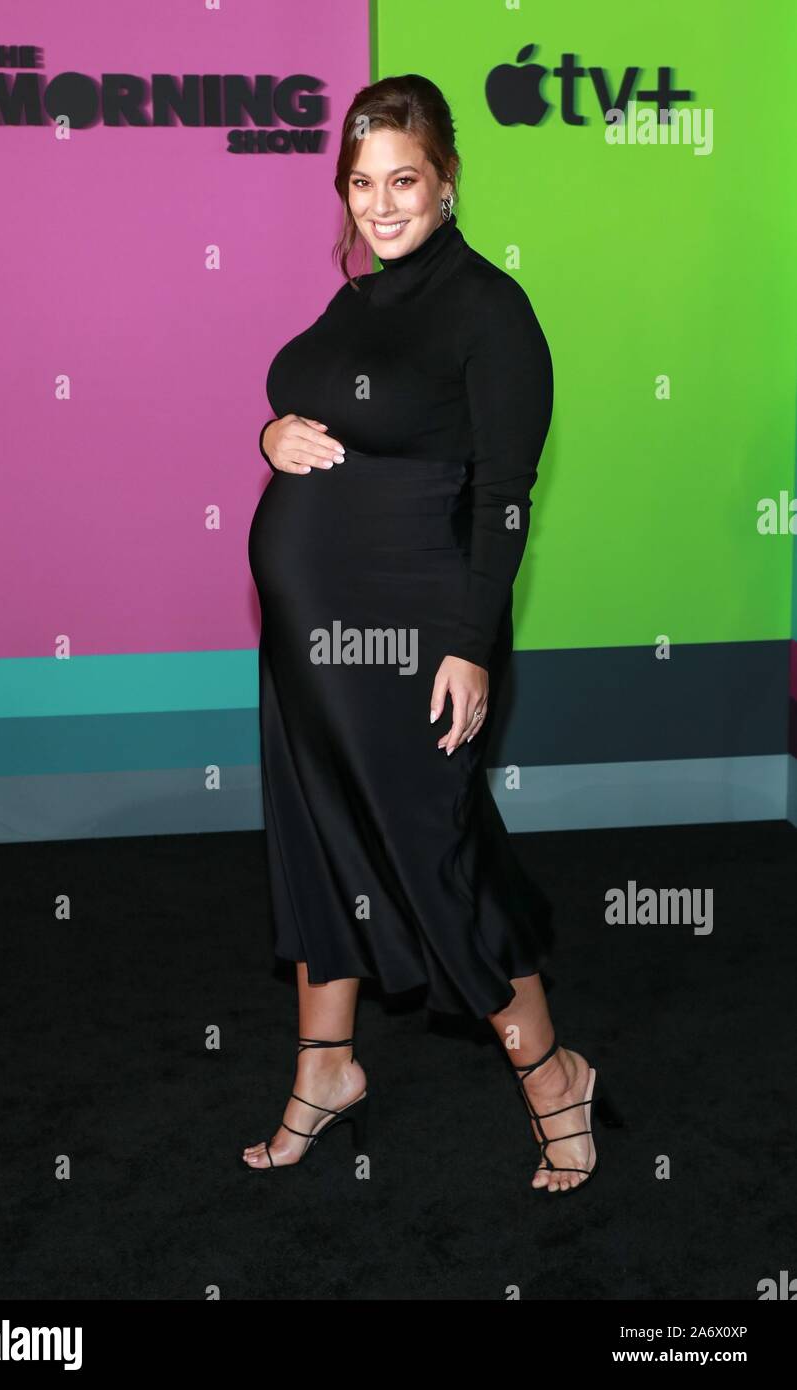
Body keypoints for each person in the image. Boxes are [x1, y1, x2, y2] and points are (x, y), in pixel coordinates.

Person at [244, 74, 619, 1193]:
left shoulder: (487, 310)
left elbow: (506, 494)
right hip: (308, 645)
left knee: (429, 852)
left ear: (446, 183)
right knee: (317, 835)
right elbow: (307, 400)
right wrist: (271, 433)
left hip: (413, 639)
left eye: (401, 180)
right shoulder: (358, 302)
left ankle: (553, 1073)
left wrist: (468, 643)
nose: (379, 204)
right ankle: (324, 1067)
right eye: (360, 185)